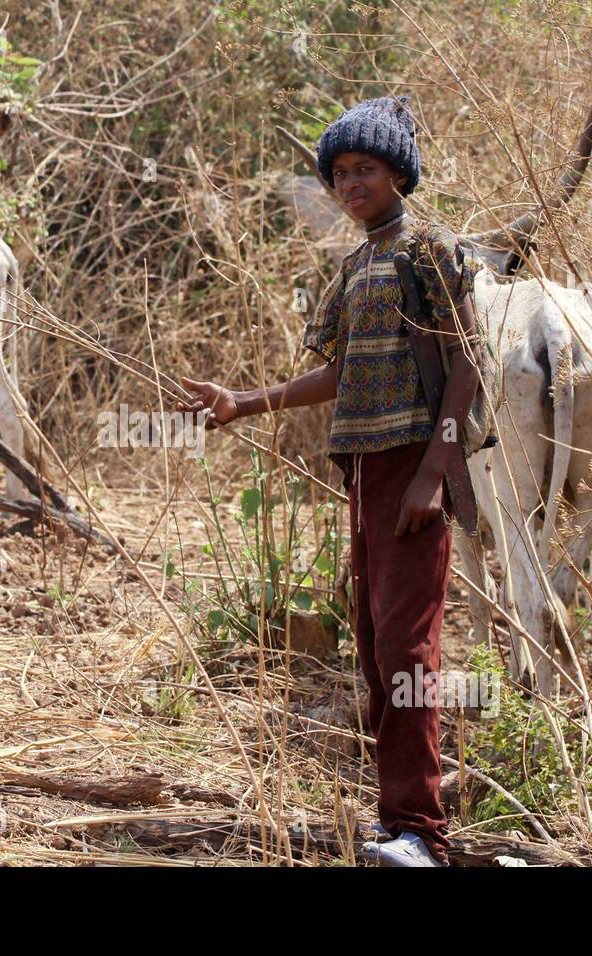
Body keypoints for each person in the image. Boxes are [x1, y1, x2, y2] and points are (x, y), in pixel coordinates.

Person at [178, 95, 480, 867]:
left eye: (366, 169)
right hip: (364, 473)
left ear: (400, 175)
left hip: (414, 468)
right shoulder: (355, 265)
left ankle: (424, 835)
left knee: (411, 652)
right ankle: (394, 823)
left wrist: (434, 474)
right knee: (378, 648)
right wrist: (243, 404)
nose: (352, 184)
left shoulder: (430, 253)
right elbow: (338, 373)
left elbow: (466, 363)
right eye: (340, 172)